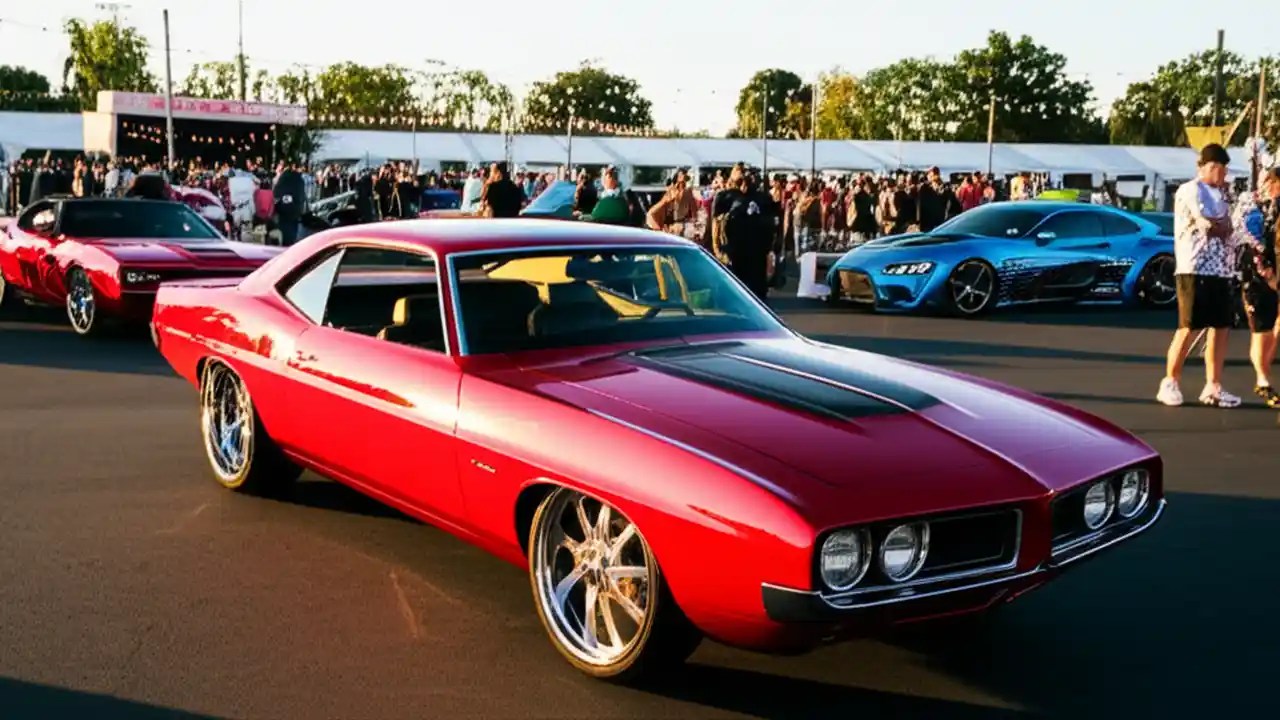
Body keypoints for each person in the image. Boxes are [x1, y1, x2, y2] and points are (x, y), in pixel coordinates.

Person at [1157, 143, 1240, 408]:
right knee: (1189, 327)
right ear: (1201, 167)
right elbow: (1209, 223)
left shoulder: (1224, 194)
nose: (1219, 174)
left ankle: (1213, 386)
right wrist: (1223, 225)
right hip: (1195, 268)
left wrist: (1226, 225)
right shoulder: (1190, 190)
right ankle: (1170, 381)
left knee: (1220, 327)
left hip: (1222, 269)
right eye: (1214, 168)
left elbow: (1232, 226)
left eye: (1223, 169)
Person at [1235, 168, 1280, 405]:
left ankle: (1264, 374)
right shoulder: (1253, 208)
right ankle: (1263, 379)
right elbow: (1255, 245)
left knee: (1273, 328)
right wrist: (1269, 276)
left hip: (1274, 273)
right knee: (1261, 330)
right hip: (1255, 276)